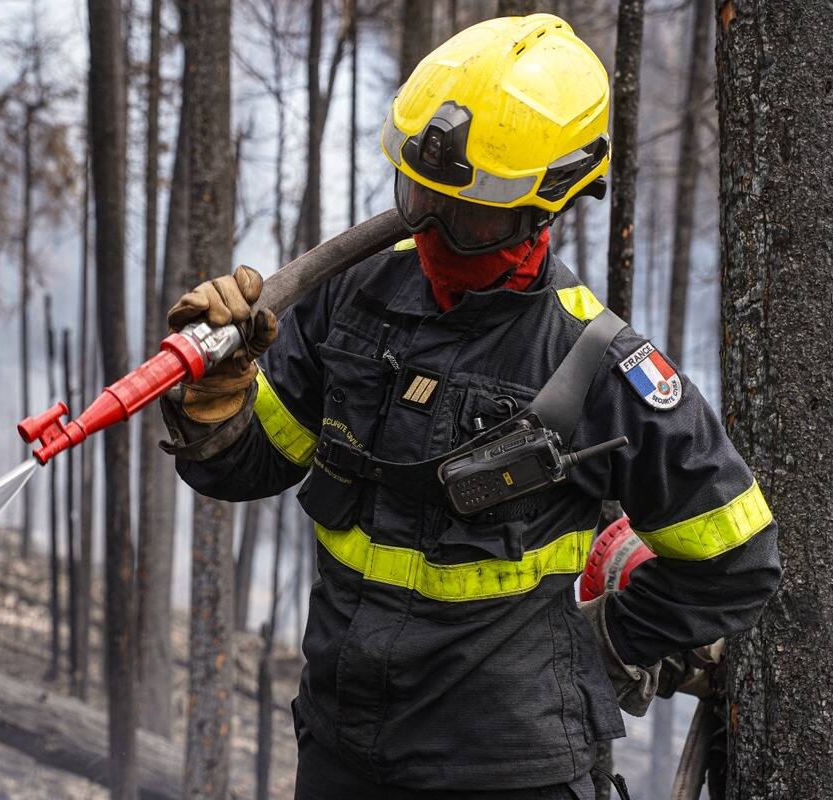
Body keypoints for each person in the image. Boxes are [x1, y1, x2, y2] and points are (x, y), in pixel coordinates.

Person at [160, 14, 780, 799]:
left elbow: (738, 561)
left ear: (549, 201)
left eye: (470, 207)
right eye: (420, 192)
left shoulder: (601, 366)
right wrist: (215, 404)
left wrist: (603, 645)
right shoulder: (350, 300)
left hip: (509, 770)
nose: (429, 224)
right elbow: (248, 470)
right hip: (341, 749)